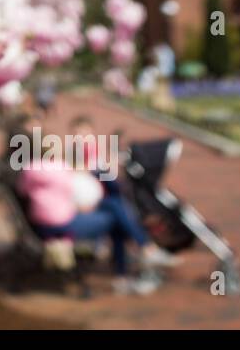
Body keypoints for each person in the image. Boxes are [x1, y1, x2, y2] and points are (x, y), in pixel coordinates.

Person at [15, 115, 173, 294]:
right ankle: (133, 262)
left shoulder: (31, 169)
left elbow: (29, 190)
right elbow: (77, 190)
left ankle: (138, 257)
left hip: (55, 218)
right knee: (116, 214)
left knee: (115, 206)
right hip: (66, 221)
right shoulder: (61, 167)